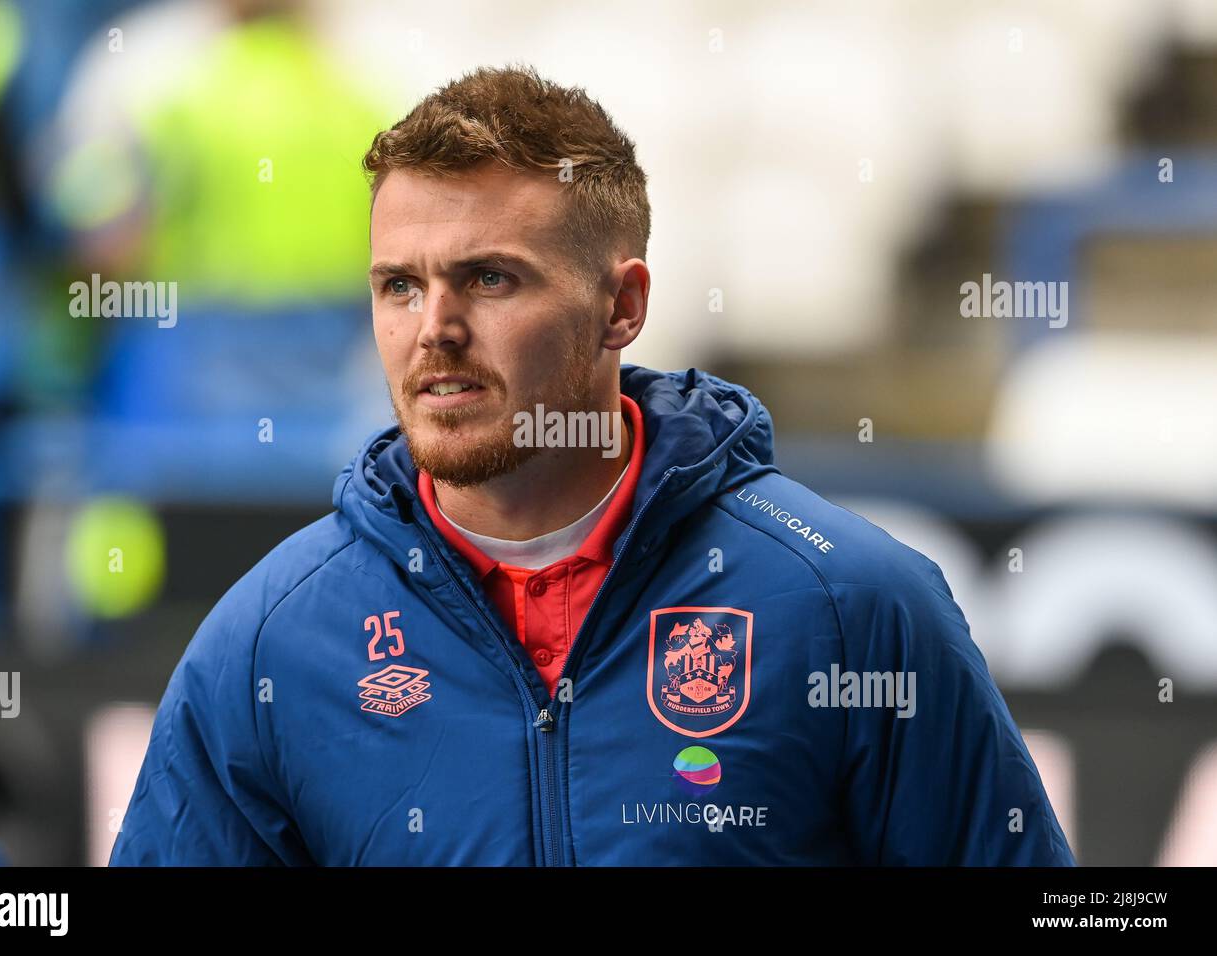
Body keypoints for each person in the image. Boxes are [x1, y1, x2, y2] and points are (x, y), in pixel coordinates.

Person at [110, 64, 1075, 866]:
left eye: (490, 279)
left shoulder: (849, 604)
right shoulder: (269, 644)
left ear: (622, 306)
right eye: (400, 285)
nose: (433, 331)